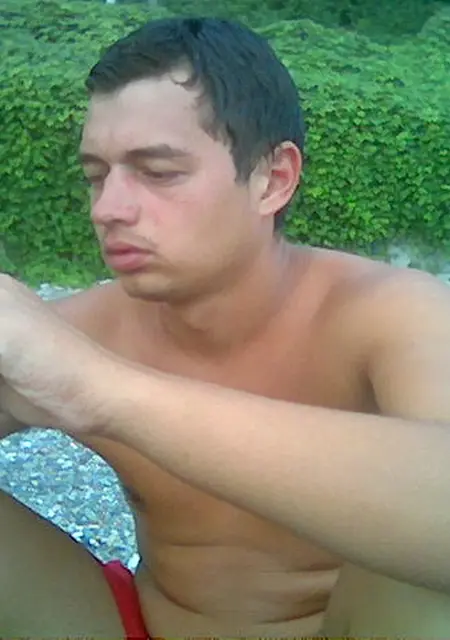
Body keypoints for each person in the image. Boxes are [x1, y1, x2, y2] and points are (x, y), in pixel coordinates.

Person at [0, 16, 450, 639]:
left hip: (350, 626)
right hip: (136, 624)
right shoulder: (77, 335)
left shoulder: (388, 312)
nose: (107, 209)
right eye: (97, 176)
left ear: (273, 179)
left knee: (425, 579)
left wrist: (100, 390)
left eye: (158, 171)